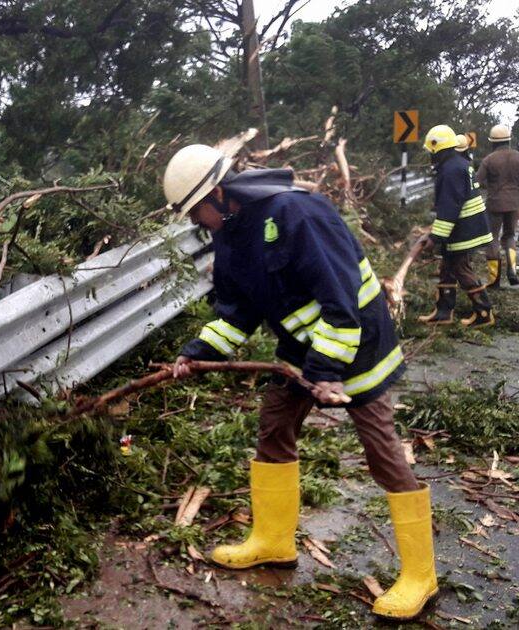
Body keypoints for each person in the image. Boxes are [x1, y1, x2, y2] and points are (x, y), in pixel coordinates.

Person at [163, 142, 437, 620]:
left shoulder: (297, 214)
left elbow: (340, 296)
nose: (196, 223)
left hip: (356, 341)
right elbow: (237, 312)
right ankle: (272, 541)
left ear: (221, 194)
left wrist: (327, 372)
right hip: (298, 350)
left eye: (197, 212)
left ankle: (420, 574)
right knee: (273, 429)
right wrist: (196, 353)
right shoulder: (230, 236)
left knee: (381, 452)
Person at [417, 125, 495, 328]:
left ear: (438, 149)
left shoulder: (451, 170)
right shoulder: (457, 164)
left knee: (461, 269)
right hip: (466, 227)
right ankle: (443, 312)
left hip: (464, 230)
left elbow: (449, 209)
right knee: (447, 268)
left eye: (432, 152)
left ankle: (484, 312)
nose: (430, 156)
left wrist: (434, 238)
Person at [475, 124, 519, 287]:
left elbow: (476, 183)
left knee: (492, 237)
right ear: (509, 140)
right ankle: (512, 270)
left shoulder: (489, 160)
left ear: (492, 142)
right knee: (509, 236)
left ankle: (494, 280)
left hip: (494, 204)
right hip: (513, 204)